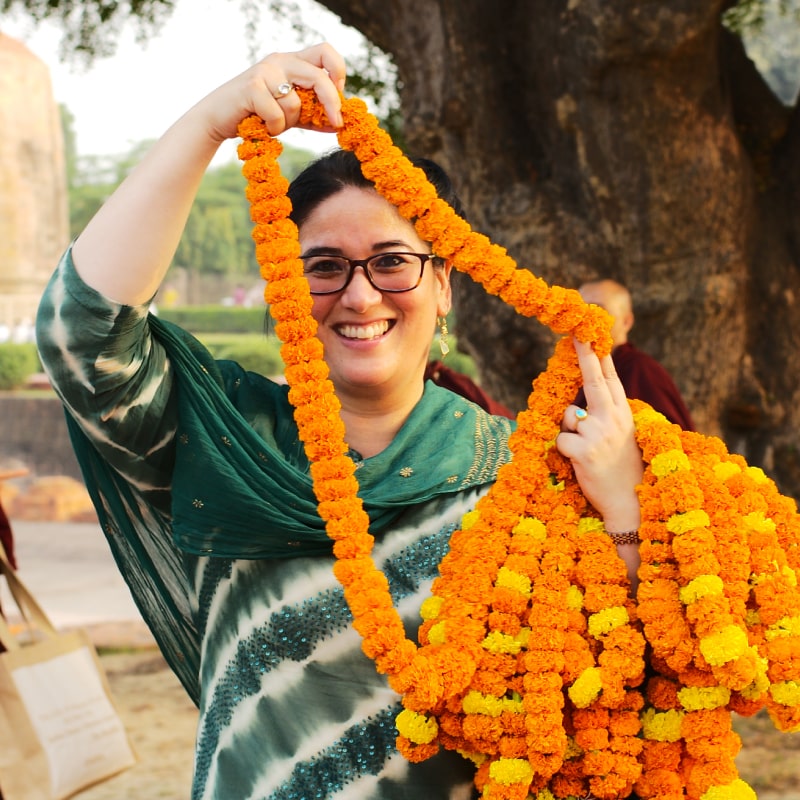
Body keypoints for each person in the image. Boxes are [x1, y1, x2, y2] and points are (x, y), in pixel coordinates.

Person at [35, 43, 643, 800]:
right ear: (286, 284)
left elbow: (615, 685)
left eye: (393, 261)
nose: (359, 297)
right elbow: (81, 331)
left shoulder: (519, 472)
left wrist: (624, 509)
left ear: (445, 281)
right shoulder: (225, 442)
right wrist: (208, 124)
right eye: (324, 266)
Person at [577, 278, 696, 430]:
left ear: (626, 321)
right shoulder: (577, 371)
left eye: (598, 310)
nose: (586, 319)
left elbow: (671, 439)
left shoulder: (640, 369)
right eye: (580, 311)